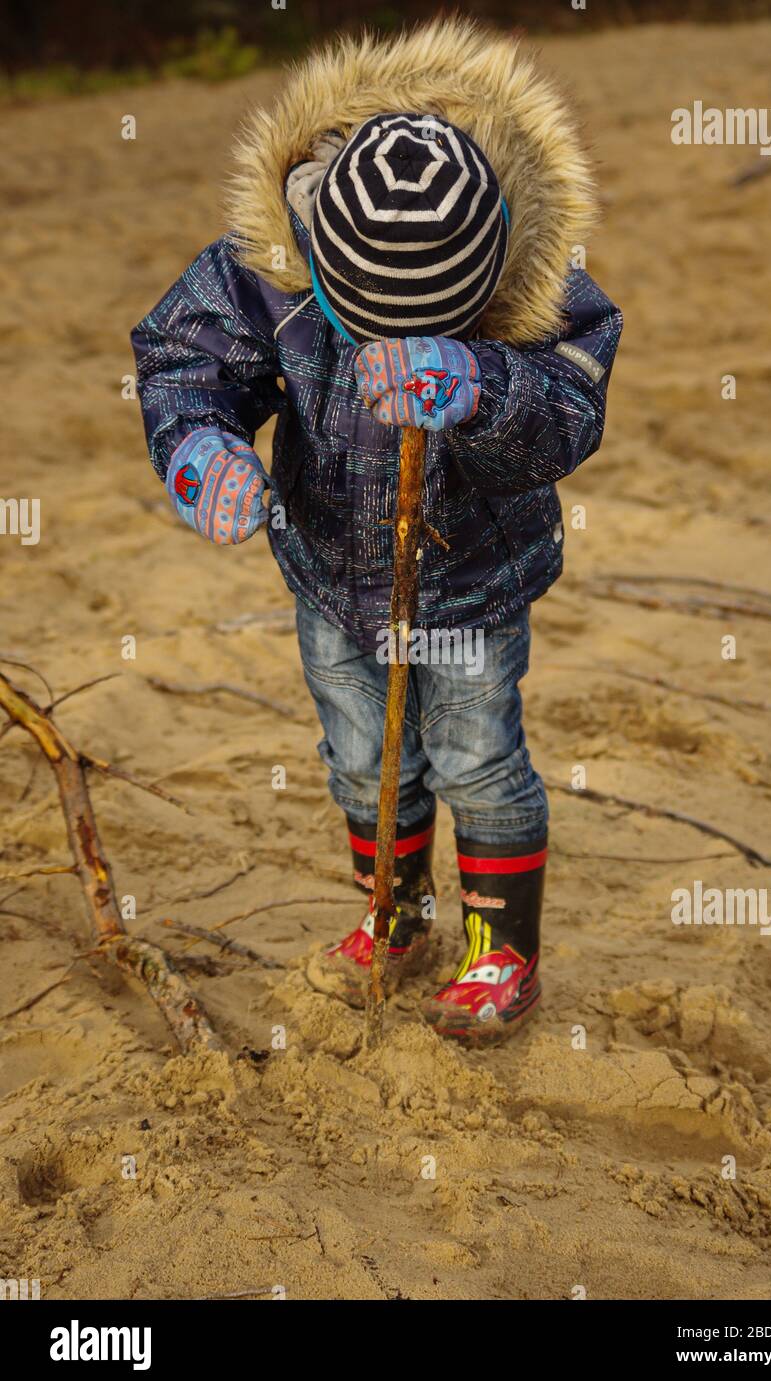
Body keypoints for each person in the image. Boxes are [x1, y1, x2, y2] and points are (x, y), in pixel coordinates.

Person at [131, 17, 623, 1045]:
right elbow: (186, 362)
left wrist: (479, 384)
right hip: (330, 573)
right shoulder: (267, 269)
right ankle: (396, 917)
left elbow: (569, 412)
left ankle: (500, 951)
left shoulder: (535, 283)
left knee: (480, 759)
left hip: (474, 586)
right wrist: (198, 449)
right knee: (364, 759)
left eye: (437, 322)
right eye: (370, 319)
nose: (394, 343)